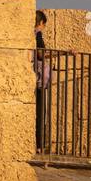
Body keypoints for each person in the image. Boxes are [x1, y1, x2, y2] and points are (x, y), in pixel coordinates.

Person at [33, 10, 51, 152]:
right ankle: (39, 145)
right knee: (40, 113)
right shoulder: (38, 34)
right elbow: (40, 54)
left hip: (35, 77)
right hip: (39, 79)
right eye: (43, 25)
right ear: (40, 23)